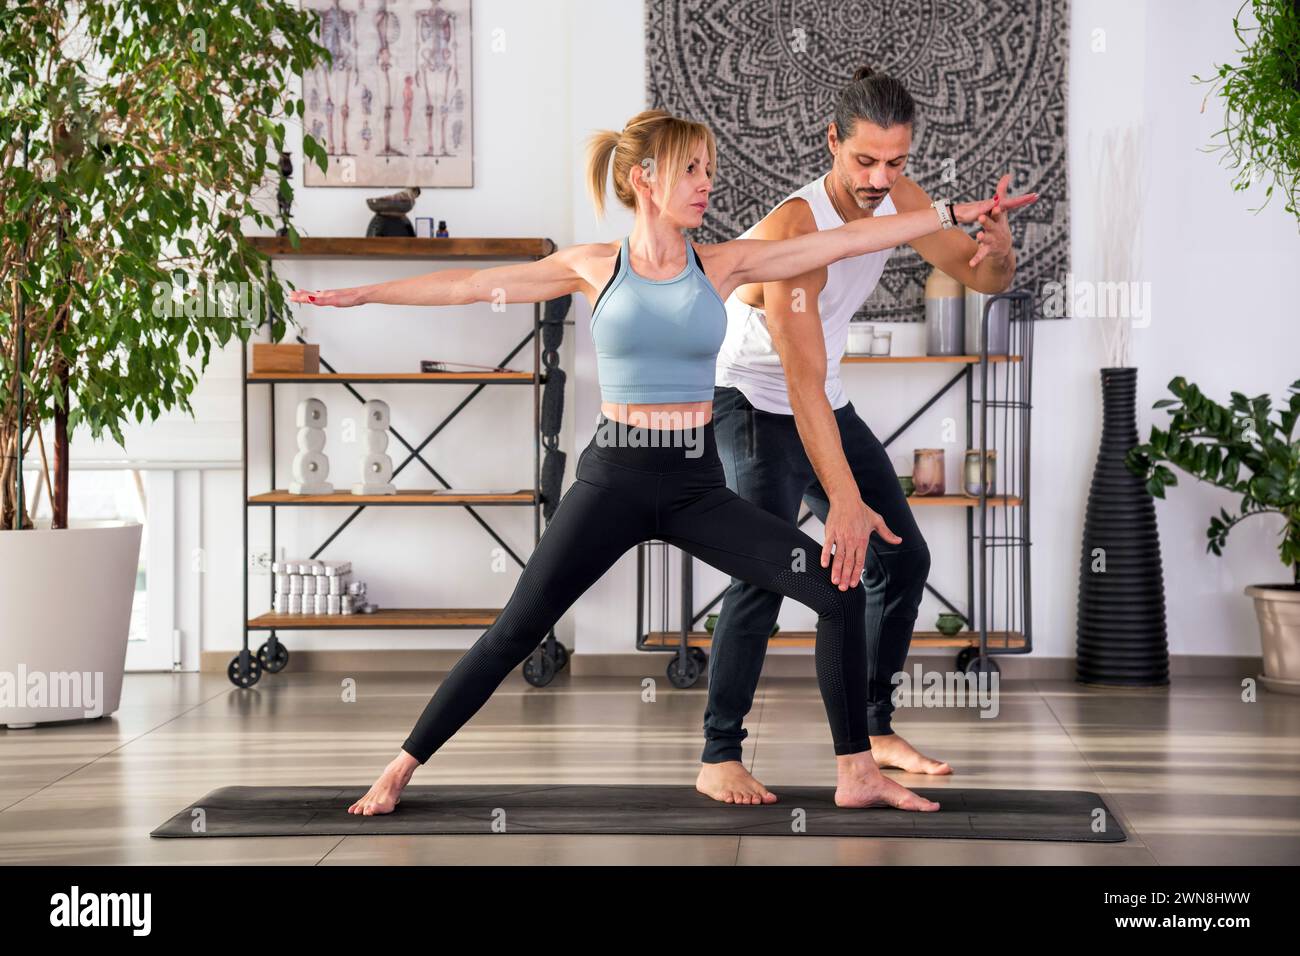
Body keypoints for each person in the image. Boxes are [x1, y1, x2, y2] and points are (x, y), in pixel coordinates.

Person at [288, 108, 1037, 816]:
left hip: (693, 483)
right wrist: (366, 293)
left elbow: (843, 243)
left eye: (709, 169)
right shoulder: (592, 266)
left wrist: (950, 214)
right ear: (645, 178)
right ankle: (400, 765)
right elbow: (470, 285)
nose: (707, 183)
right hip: (612, 479)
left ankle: (857, 772)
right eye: (692, 170)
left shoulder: (722, 265)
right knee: (514, 631)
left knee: (837, 587)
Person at [697, 67, 1038, 805]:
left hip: (823, 396)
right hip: (754, 401)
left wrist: (1000, 248)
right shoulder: (797, 229)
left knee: (901, 558)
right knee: (768, 573)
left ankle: (875, 729)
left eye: (896, 162)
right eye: (864, 161)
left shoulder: (904, 200)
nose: (881, 179)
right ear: (832, 143)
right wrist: (843, 500)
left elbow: (983, 278)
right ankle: (719, 753)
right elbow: (797, 380)